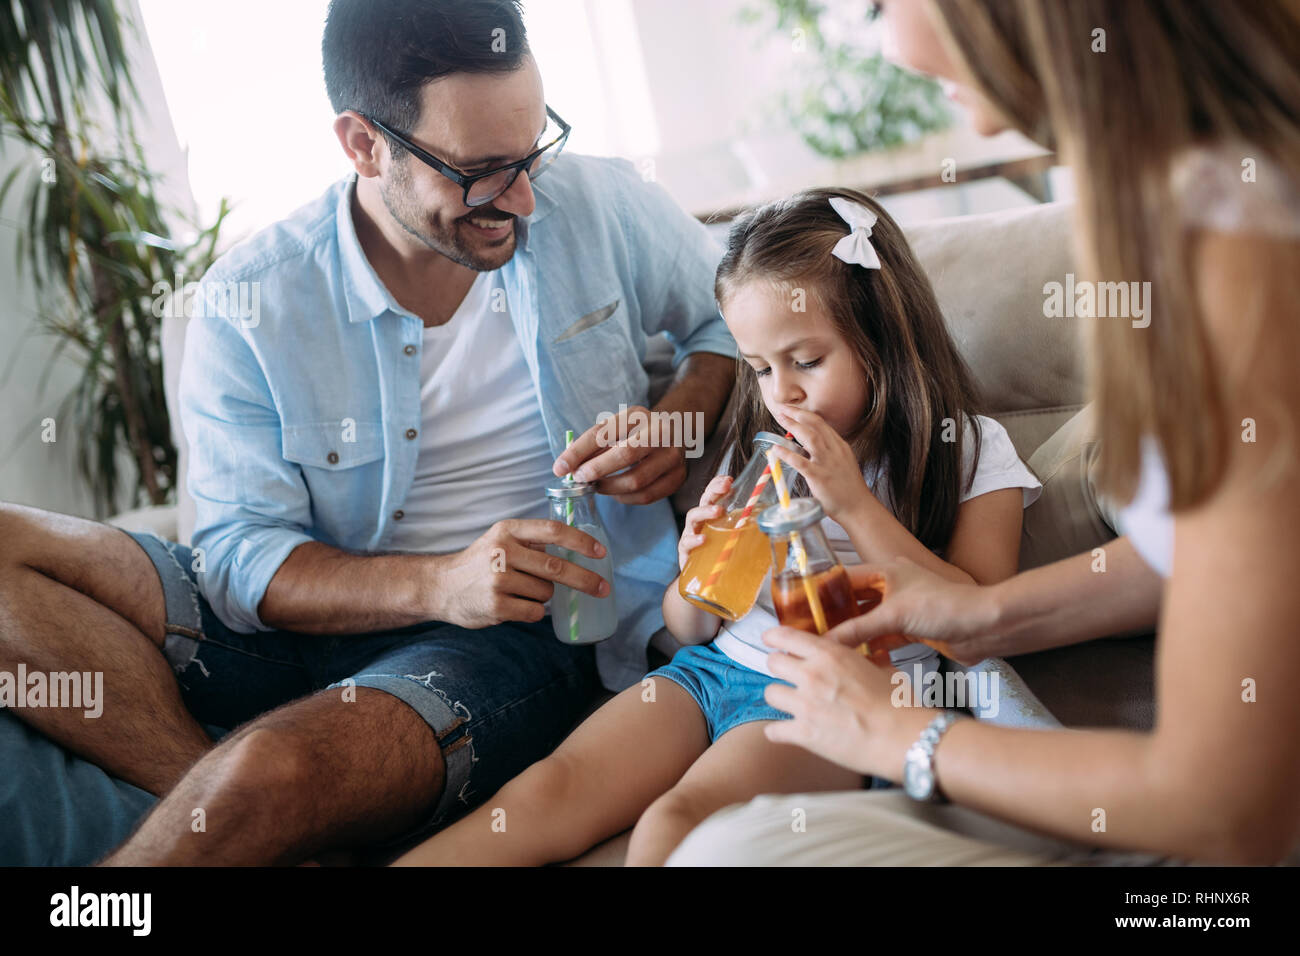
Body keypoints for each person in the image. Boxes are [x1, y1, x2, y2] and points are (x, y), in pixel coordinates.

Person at [0, 0, 735, 866]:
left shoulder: (600, 203)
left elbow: (727, 322)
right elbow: (236, 557)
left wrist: (680, 420)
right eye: (483, 170)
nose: (526, 197)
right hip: (312, 619)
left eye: (535, 149)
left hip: (517, 637)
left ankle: (249, 802)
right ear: (363, 144)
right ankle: (229, 803)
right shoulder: (252, 300)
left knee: (264, 775)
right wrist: (440, 583)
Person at [666, 0, 1300, 867]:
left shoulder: (1245, 247)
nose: (886, 39)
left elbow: (1227, 813)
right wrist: (982, 614)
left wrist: (902, 734)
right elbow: (1208, 554)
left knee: (729, 855)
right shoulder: (1197, 198)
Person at [392, 188, 1041, 866]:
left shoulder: (966, 450)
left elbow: (979, 629)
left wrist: (853, 505)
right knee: (542, 796)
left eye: (806, 361)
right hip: (709, 670)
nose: (781, 393)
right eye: (760, 369)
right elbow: (688, 625)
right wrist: (697, 569)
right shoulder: (762, 450)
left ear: (880, 337)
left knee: (677, 822)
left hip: (827, 696)